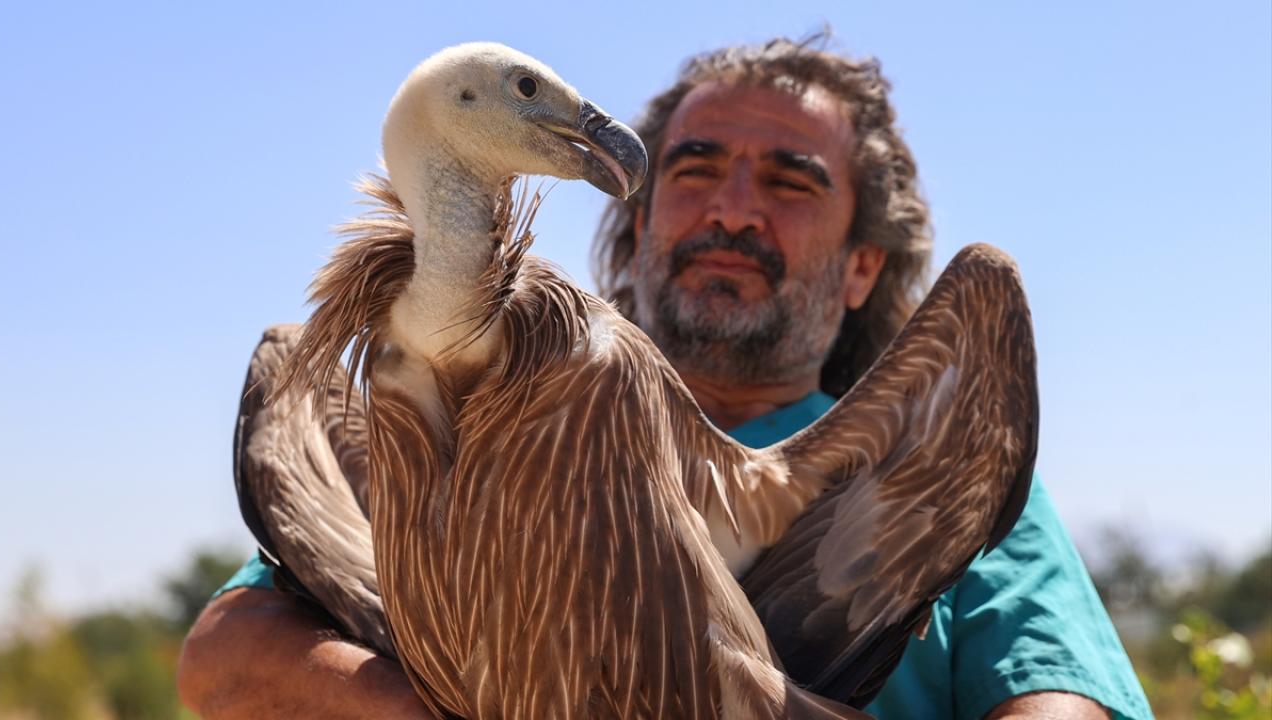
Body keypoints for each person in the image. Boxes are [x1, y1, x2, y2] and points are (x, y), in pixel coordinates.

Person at [178, 36, 1151, 720]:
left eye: (789, 180)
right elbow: (227, 661)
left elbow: (1059, 701)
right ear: (635, 228)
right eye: (693, 169)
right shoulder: (431, 422)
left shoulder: (955, 466)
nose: (730, 209)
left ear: (862, 267)